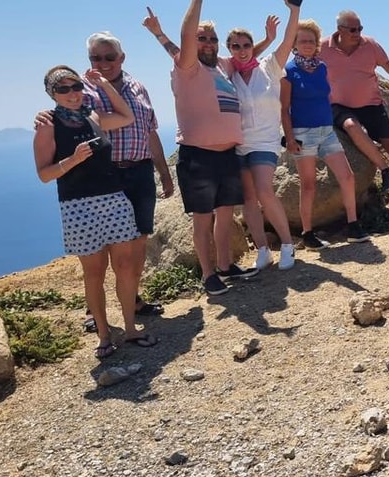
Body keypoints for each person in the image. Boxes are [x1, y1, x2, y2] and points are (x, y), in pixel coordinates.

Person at [33, 66, 156, 358]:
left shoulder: (94, 115)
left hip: (113, 198)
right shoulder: (47, 126)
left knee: (125, 267)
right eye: (63, 89)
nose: (72, 94)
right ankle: (103, 335)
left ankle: (129, 328)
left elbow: (127, 116)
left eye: (75, 86)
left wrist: (103, 84)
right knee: (94, 273)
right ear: (52, 93)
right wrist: (72, 160)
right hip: (77, 206)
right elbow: (44, 174)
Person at [148, 0, 254, 296]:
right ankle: (208, 274)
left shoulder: (223, 65)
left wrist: (158, 35)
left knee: (225, 215)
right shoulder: (187, 67)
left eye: (212, 39)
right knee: (202, 219)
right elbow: (183, 40)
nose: (208, 43)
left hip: (227, 154)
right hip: (199, 156)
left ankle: (225, 265)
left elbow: (246, 53)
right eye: (202, 38)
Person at [79, 31, 173, 333]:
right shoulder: (84, 90)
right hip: (105, 175)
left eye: (109, 57)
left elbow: (150, 130)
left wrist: (164, 171)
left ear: (122, 58)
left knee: (138, 241)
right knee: (104, 245)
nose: (103, 63)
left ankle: (132, 299)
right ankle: (95, 310)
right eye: (97, 57)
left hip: (140, 171)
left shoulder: (138, 87)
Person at [321, 11, 389, 214]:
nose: (358, 33)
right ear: (340, 30)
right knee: (352, 126)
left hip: (371, 105)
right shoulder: (322, 48)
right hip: (339, 106)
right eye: (353, 29)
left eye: (360, 28)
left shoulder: (370, 45)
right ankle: (386, 170)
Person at [281, 19, 370, 248]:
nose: (308, 44)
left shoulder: (321, 67)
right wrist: (290, 137)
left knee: (347, 176)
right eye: (302, 41)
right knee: (308, 184)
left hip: (326, 130)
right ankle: (308, 233)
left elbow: (326, 97)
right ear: (294, 44)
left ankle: (353, 225)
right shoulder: (288, 71)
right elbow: (283, 108)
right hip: (303, 132)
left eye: (311, 40)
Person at [227, 2, 301, 271]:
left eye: (246, 45)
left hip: (266, 142)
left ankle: (287, 244)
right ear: (230, 50)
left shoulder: (269, 66)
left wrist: (294, 11)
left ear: (252, 45)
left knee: (264, 191)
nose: (242, 50)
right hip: (238, 144)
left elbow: (287, 39)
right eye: (236, 46)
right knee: (248, 199)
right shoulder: (229, 75)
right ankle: (262, 249)